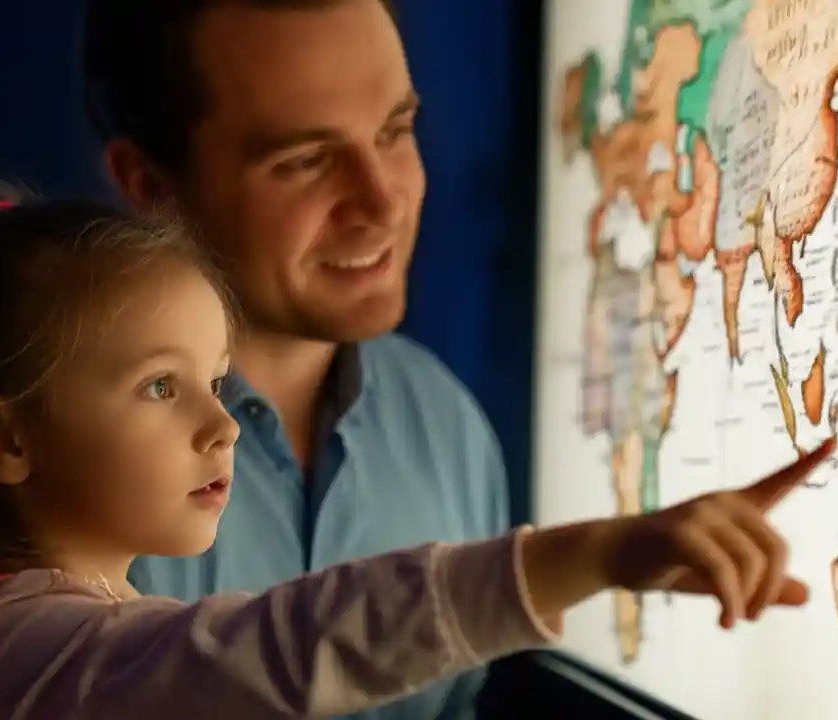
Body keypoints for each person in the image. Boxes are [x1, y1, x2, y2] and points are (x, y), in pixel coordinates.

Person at [0, 190, 834, 718]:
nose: (224, 421)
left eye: (216, 376)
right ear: (0, 438)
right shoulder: (21, 648)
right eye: (161, 386)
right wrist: (589, 557)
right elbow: (280, 651)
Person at [78, 2, 517, 716]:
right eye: (306, 161)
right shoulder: (62, 466)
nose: (383, 203)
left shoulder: (445, 423)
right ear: (149, 184)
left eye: (395, 131)